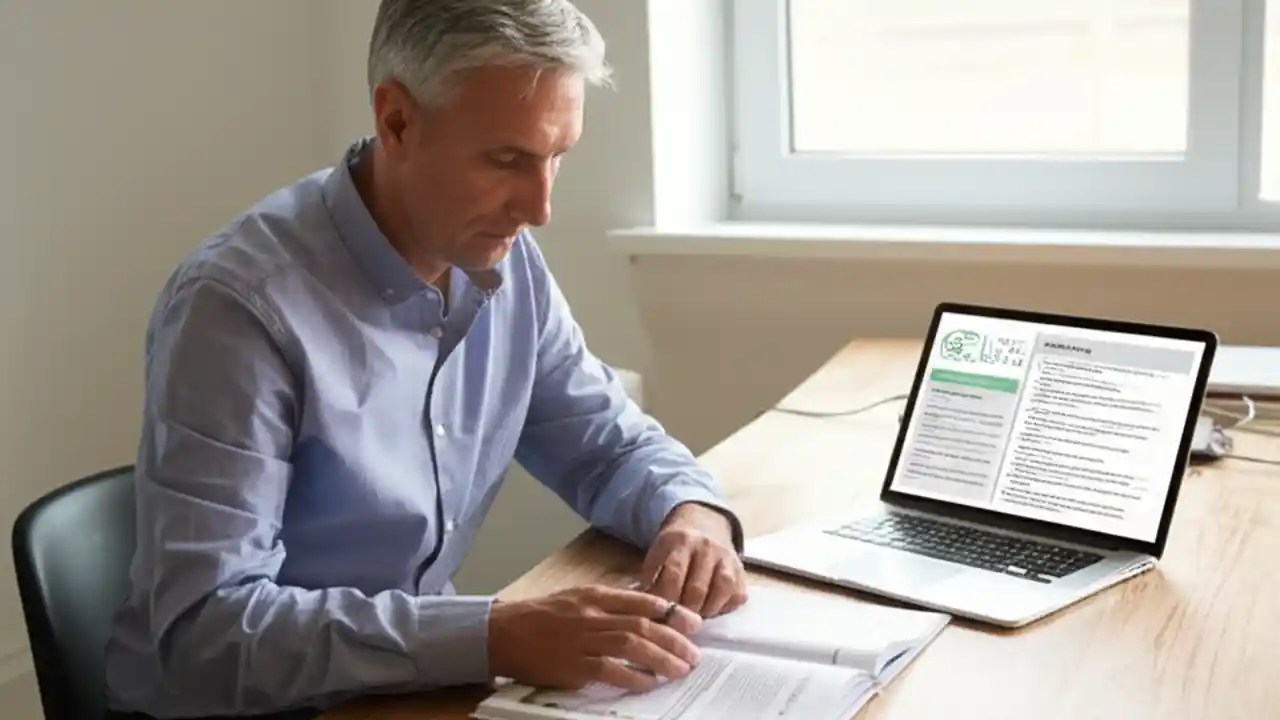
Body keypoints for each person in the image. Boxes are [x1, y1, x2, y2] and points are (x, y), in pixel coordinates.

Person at [104, 1, 748, 717]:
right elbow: (208, 635)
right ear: (397, 121)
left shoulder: (505, 263)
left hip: (402, 693)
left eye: (558, 156)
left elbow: (607, 446)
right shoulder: (237, 309)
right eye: (507, 159)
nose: (540, 208)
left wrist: (693, 515)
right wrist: (493, 634)